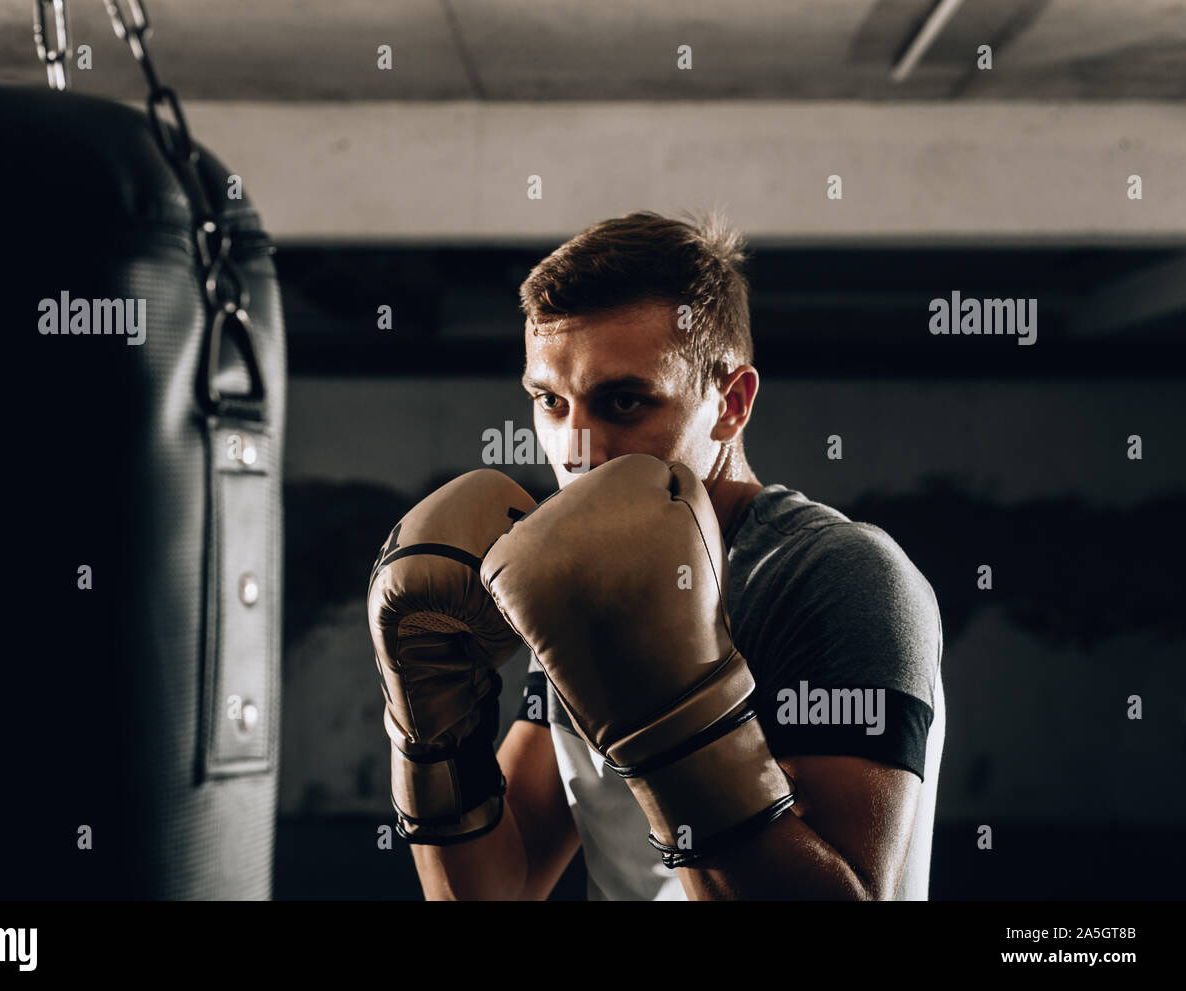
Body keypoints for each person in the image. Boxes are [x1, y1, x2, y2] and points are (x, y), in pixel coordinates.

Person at [368, 211, 944, 900]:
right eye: (551, 401)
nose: (575, 451)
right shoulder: (580, 579)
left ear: (730, 402)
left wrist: (672, 721)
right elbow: (497, 891)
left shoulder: (836, 577)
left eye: (623, 401)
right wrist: (431, 728)